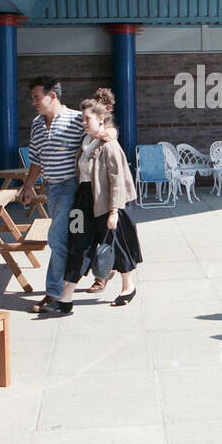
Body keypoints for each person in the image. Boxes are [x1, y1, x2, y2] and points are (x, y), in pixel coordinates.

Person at [44, 89, 143, 316]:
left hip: (106, 201)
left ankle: (128, 287)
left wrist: (114, 211)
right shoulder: (85, 141)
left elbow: (117, 179)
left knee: (115, 245)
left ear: (101, 118)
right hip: (83, 199)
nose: (83, 122)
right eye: (82, 119)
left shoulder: (109, 144)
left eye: (86, 119)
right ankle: (66, 297)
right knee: (77, 243)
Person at [17, 75, 86, 313]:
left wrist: (111, 134)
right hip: (51, 188)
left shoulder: (76, 119)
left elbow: (101, 130)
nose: (33, 102)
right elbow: (35, 159)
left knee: (57, 239)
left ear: (52, 96)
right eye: (33, 98)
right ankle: (102, 271)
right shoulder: (37, 124)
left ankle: (55, 293)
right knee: (69, 239)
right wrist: (28, 187)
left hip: (71, 187)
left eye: (37, 97)